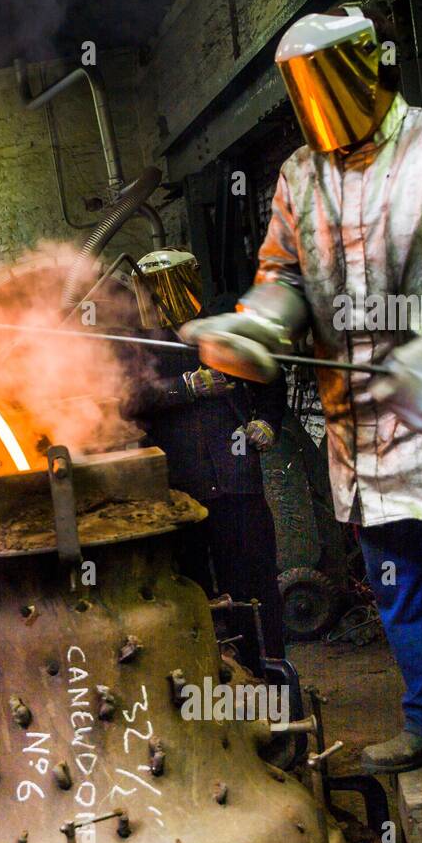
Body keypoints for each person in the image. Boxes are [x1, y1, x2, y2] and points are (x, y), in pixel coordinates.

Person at [182, 5, 422, 786]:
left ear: (367, 69)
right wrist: (255, 326)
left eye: (325, 84)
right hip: (357, 435)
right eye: (299, 91)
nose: (313, 106)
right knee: (398, 590)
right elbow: (283, 279)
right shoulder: (299, 174)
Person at [120, 252, 286, 674]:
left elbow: (271, 377)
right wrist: (184, 388)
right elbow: (127, 401)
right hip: (177, 494)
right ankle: (209, 679)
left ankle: (268, 676)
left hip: (235, 485)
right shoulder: (137, 346)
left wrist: (267, 420)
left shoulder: (224, 327)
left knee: (252, 589)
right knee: (193, 592)